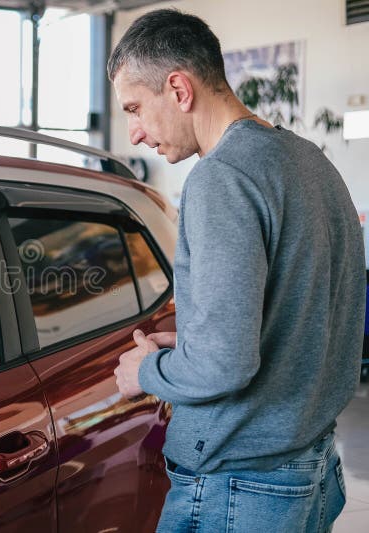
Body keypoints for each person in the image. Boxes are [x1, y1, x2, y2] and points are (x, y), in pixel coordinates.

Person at [109, 9, 364, 532]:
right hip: (311, 462)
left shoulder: (219, 178)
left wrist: (147, 374)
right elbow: (306, 314)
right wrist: (191, 344)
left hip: (241, 485)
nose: (133, 133)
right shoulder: (309, 161)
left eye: (135, 108)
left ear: (179, 88)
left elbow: (227, 365)